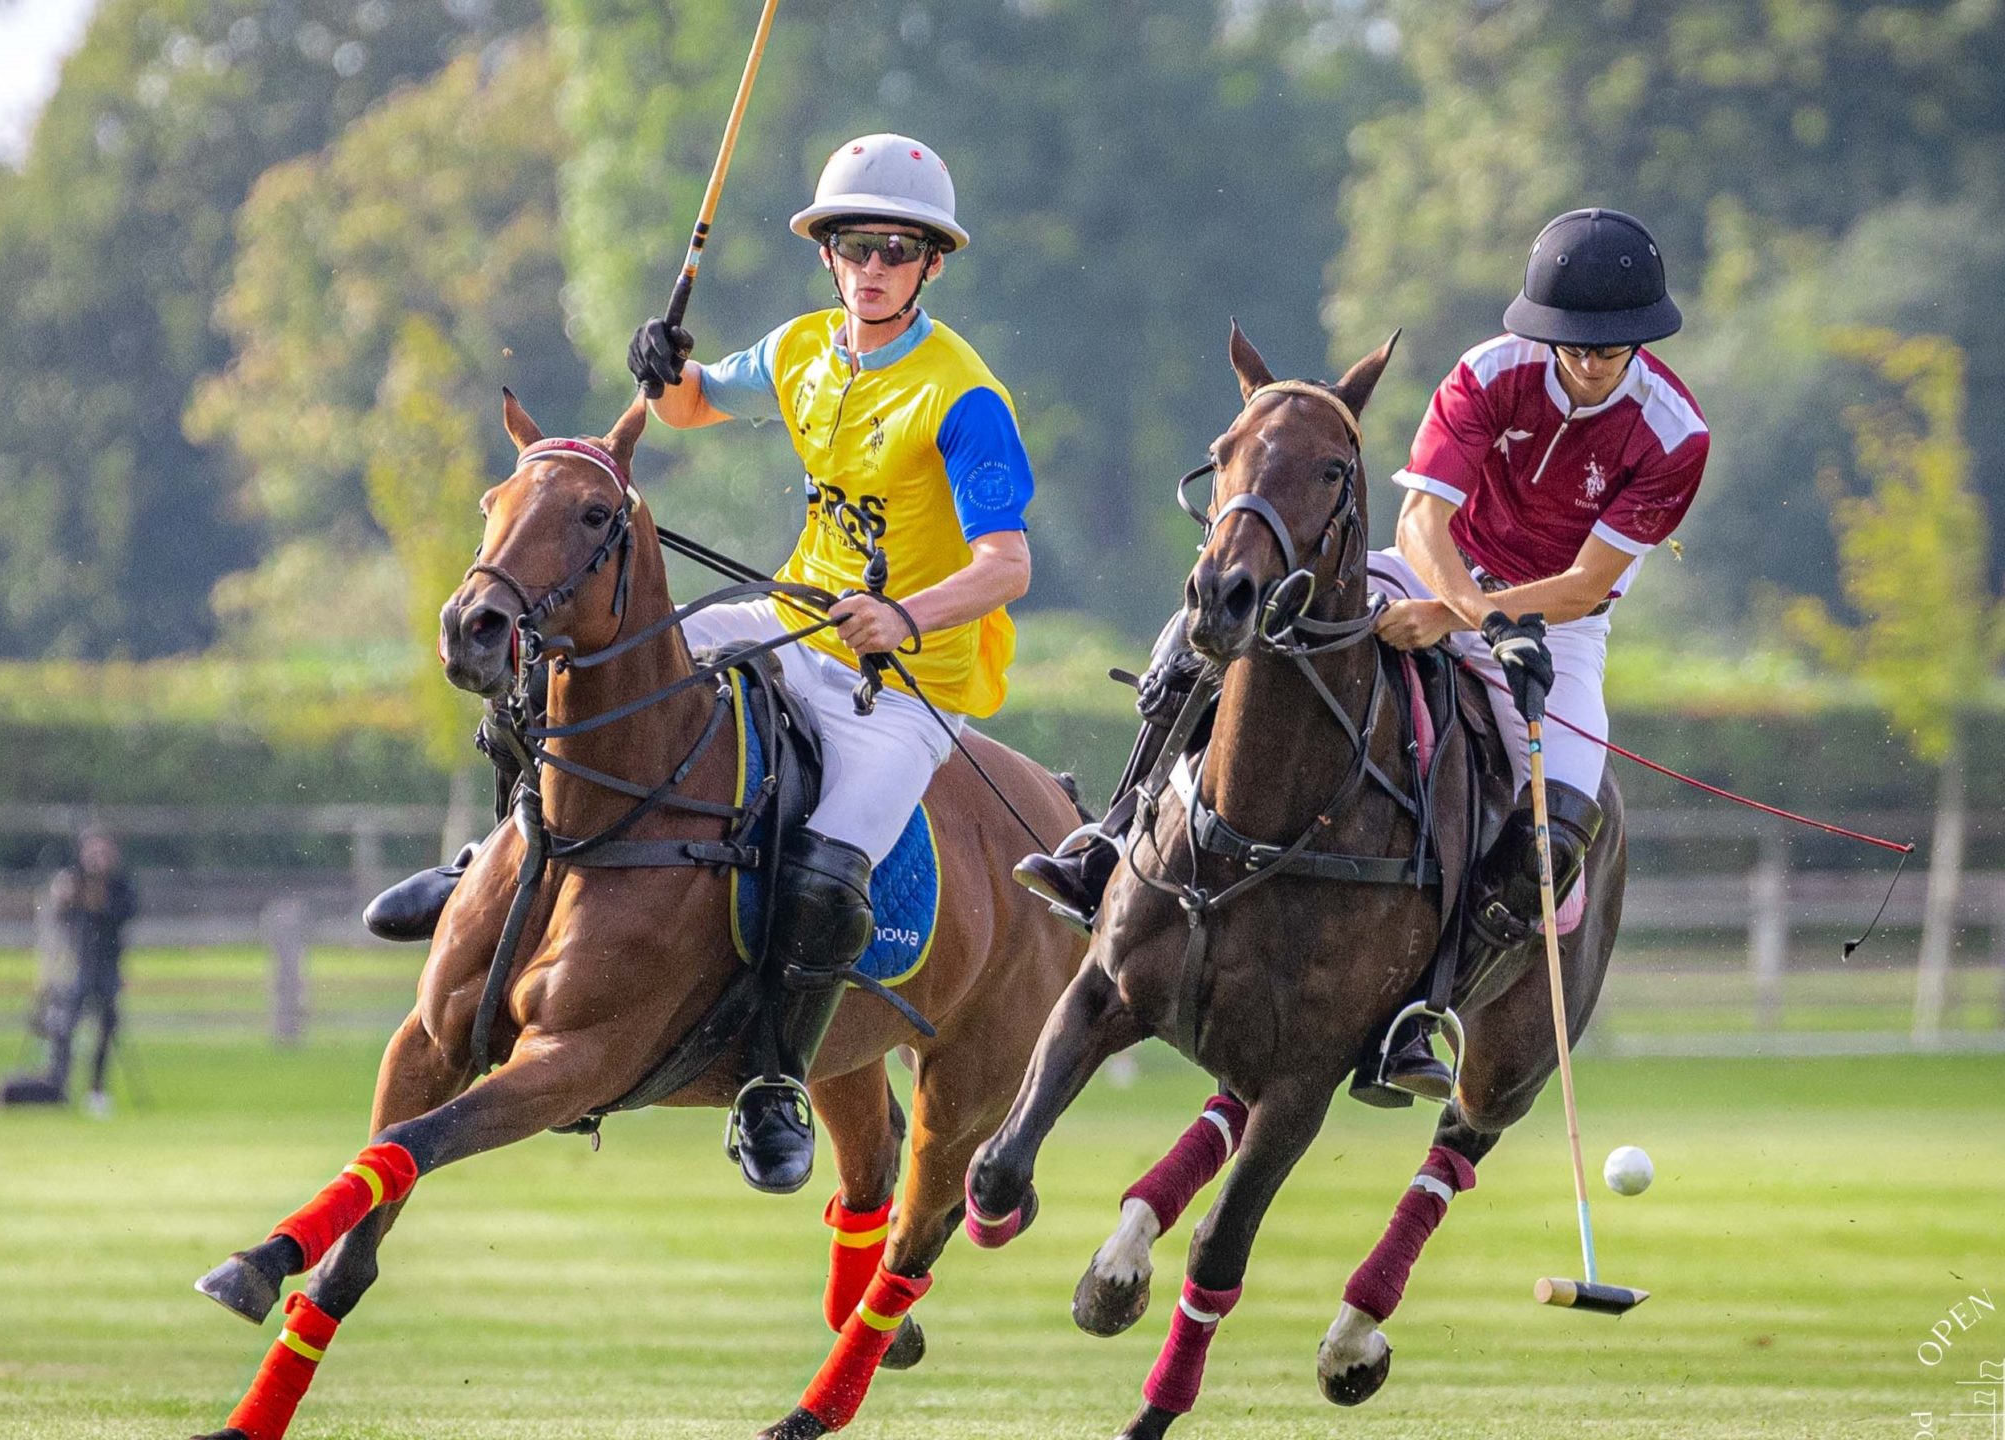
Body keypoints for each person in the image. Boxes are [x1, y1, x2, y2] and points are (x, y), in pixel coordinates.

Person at [368, 134, 1037, 1194]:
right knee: (591, 682)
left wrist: (902, 616)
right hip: (785, 620)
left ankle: (773, 1075)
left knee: (827, 873)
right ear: (827, 254)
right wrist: (664, 368)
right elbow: (690, 404)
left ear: (931, 265)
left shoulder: (964, 398)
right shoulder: (804, 350)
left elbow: (1007, 566)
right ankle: (485, 870)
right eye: (855, 244)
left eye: (897, 250)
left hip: (908, 686)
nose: (873, 266)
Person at [1016, 207, 1706, 1104]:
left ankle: (1426, 1012)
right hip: (1426, 571)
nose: (1586, 360)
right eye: (1570, 342)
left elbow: (1586, 582)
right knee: (1193, 648)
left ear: (1640, 340)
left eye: (1607, 347)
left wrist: (1467, 622)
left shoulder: (1672, 431)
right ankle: (1109, 843)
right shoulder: (1489, 375)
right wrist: (1453, 608)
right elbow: (1422, 520)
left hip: (1553, 623)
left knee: (1566, 820)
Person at [42, 826, 136, 1117]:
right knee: (64, 1025)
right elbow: (61, 919)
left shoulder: (120, 886)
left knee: (106, 1027)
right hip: (79, 966)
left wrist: (100, 900)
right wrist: (63, 897)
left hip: (108, 966)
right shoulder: (74, 883)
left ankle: (97, 1089)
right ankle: (58, 1085)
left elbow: (123, 914)